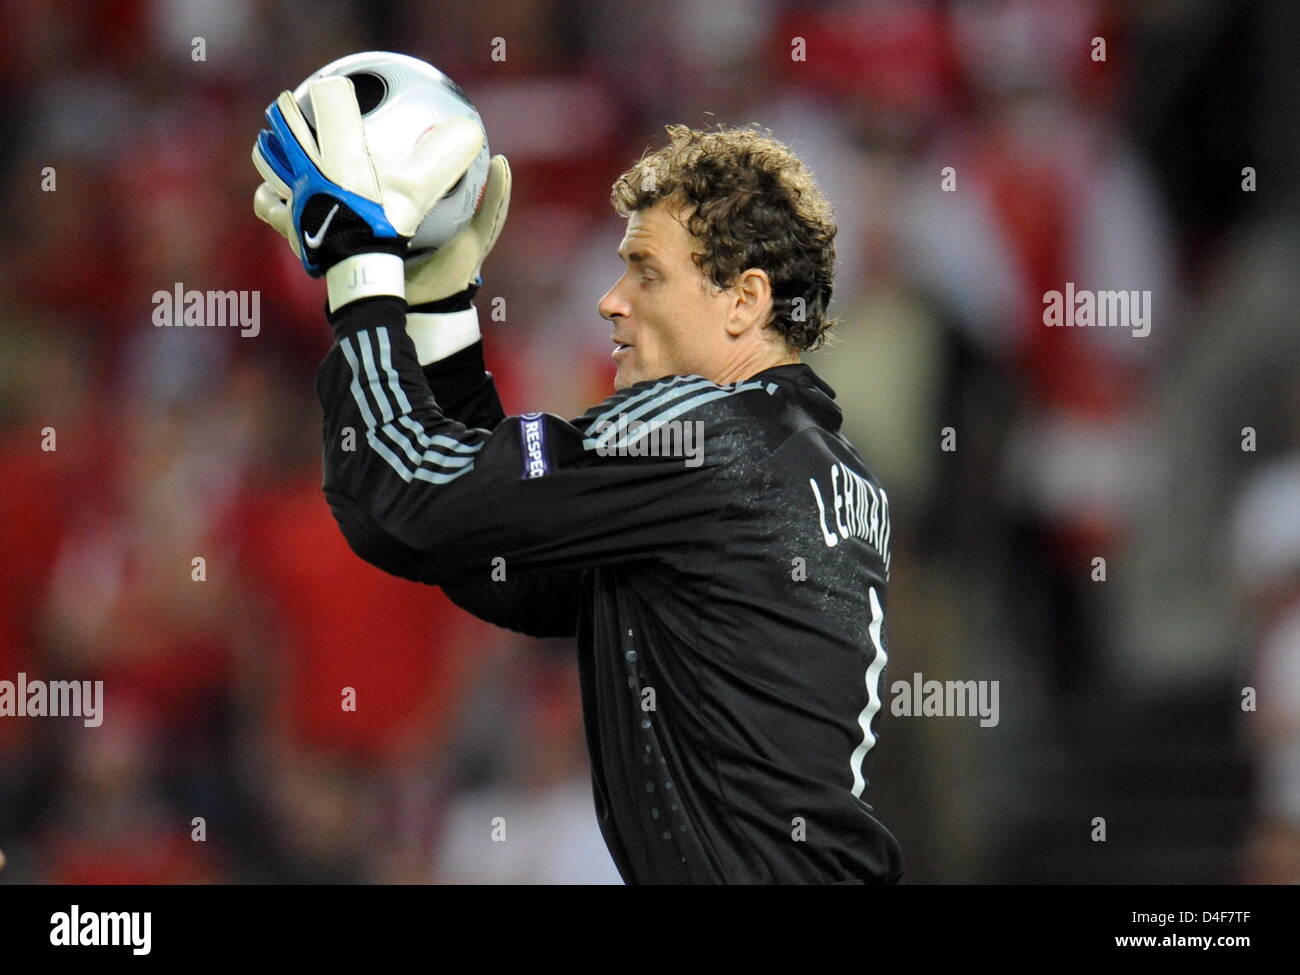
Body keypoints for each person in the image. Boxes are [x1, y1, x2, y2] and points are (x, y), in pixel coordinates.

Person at [252, 75, 903, 884]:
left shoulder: (701, 436)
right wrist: (447, 309)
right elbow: (509, 559)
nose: (610, 301)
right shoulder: (810, 458)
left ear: (744, 299)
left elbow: (408, 497)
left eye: (645, 273)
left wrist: (361, 273)